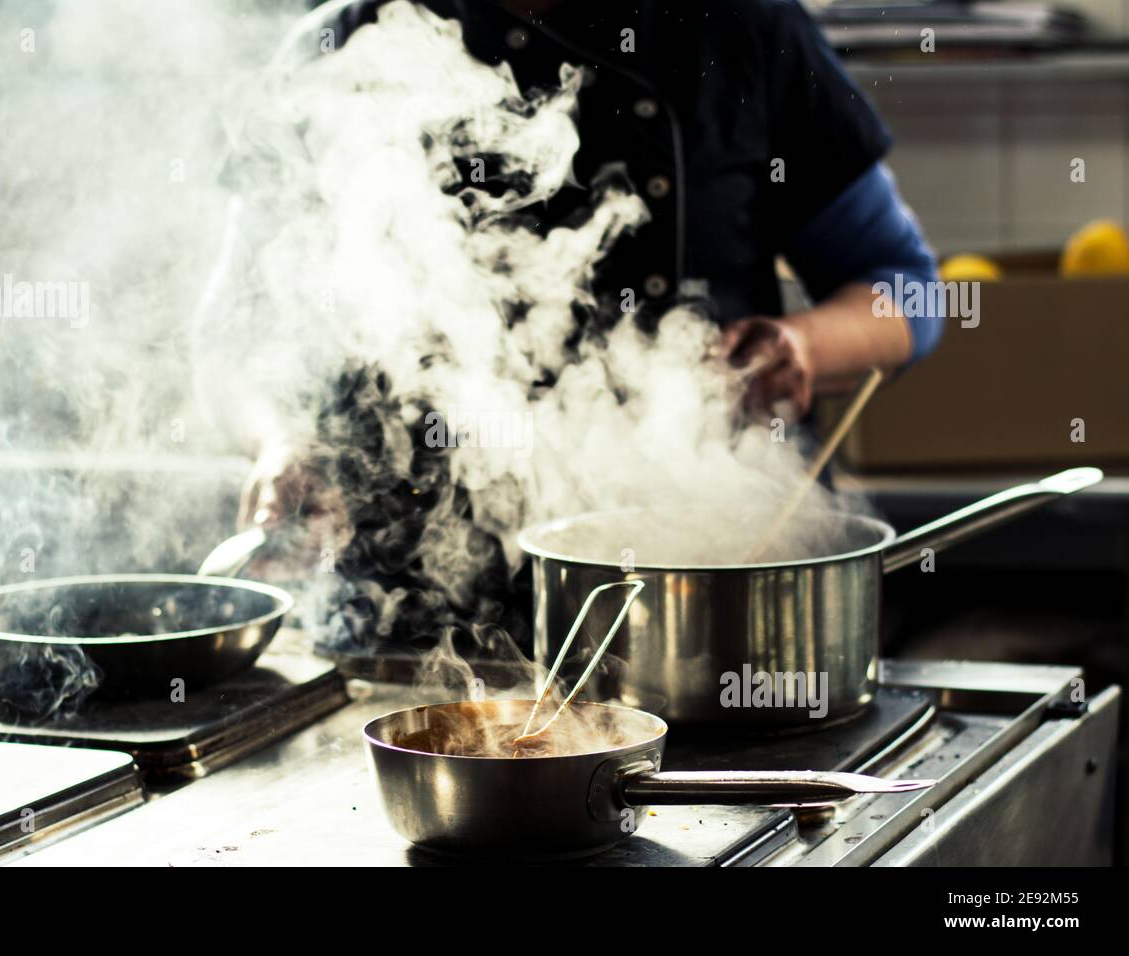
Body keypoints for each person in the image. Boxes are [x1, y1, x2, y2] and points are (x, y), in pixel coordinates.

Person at [246, 0, 943, 658]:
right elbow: (236, 331)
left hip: (694, 603)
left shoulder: (738, 25)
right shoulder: (337, 47)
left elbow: (906, 289)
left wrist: (804, 347)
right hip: (398, 626)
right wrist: (281, 436)